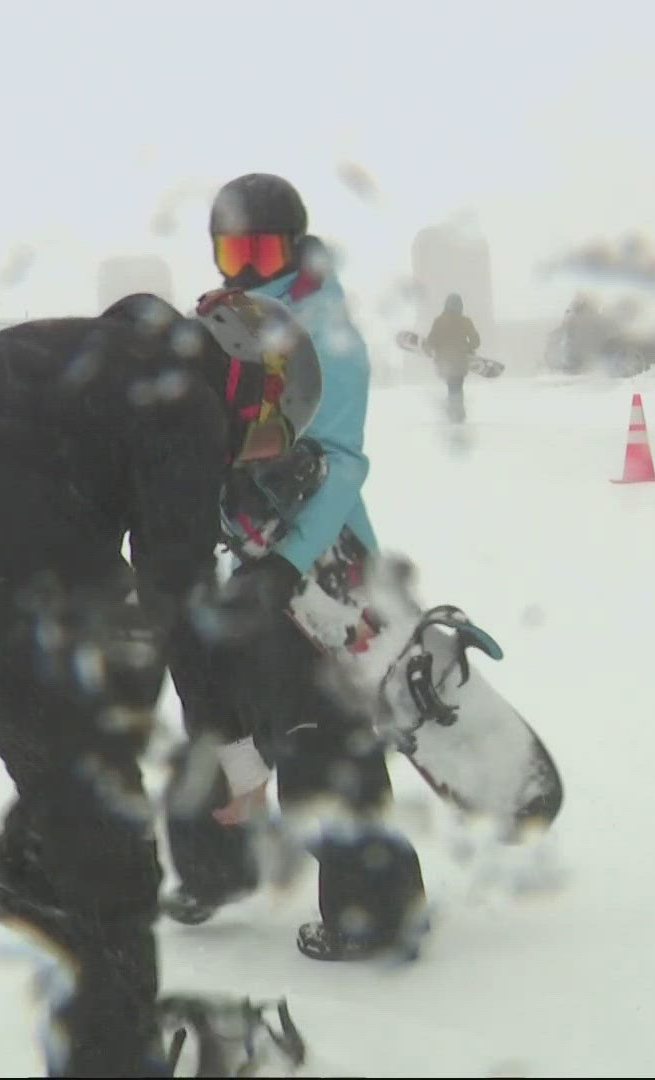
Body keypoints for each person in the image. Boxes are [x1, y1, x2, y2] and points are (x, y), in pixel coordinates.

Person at [0, 289, 322, 1076]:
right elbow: (184, 602)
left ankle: (28, 870)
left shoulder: (72, 348)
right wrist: (236, 752)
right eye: (268, 434)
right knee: (116, 874)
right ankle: (116, 1052)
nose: (252, 453)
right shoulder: (189, 406)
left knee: (89, 756)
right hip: (10, 627)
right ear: (252, 382)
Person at [160, 171, 429, 963]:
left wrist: (286, 563)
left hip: (313, 559)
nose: (244, 267)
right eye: (230, 251)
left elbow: (342, 463)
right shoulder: (219, 321)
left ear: (295, 246)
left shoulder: (324, 331)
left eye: (262, 250)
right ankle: (217, 866)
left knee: (318, 730)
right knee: (212, 709)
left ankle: (375, 909)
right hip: (226, 548)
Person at [423, 293, 480, 422]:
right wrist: (469, 348)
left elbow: (432, 340)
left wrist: (428, 349)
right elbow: (476, 341)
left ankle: (454, 411)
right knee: (457, 385)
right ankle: (457, 412)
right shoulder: (466, 321)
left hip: (444, 362)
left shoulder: (439, 321)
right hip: (460, 361)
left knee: (451, 385)